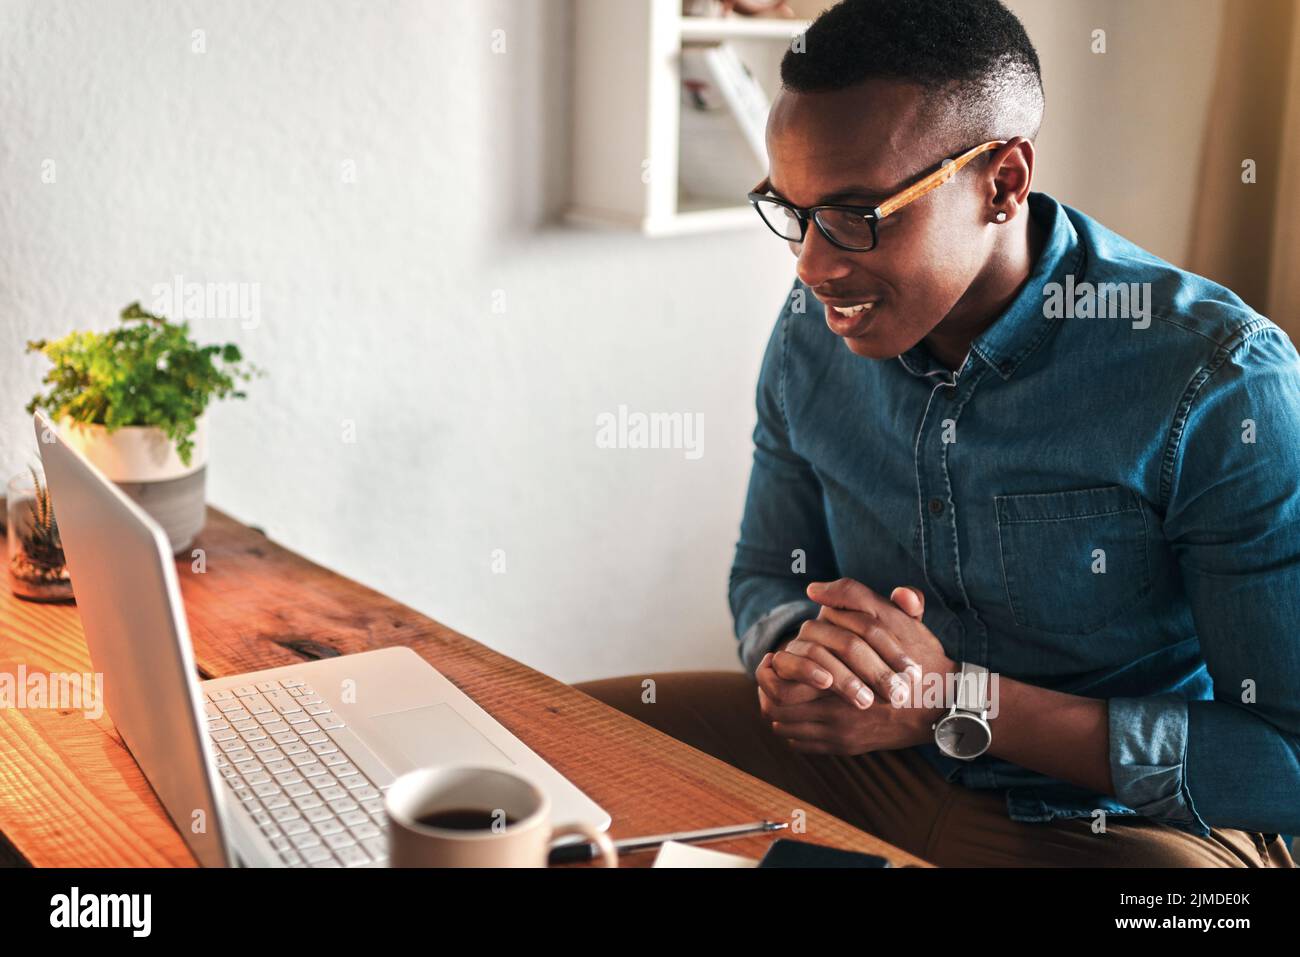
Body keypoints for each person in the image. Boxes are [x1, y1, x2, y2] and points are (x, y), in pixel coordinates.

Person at [575, 0, 1299, 867]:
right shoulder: (815, 327)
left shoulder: (1219, 380)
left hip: (1112, 824)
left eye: (856, 215)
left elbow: (1283, 761)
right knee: (541, 746)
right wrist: (800, 658)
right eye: (791, 210)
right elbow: (769, 572)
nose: (809, 264)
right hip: (864, 768)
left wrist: (955, 700)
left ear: (1003, 182)